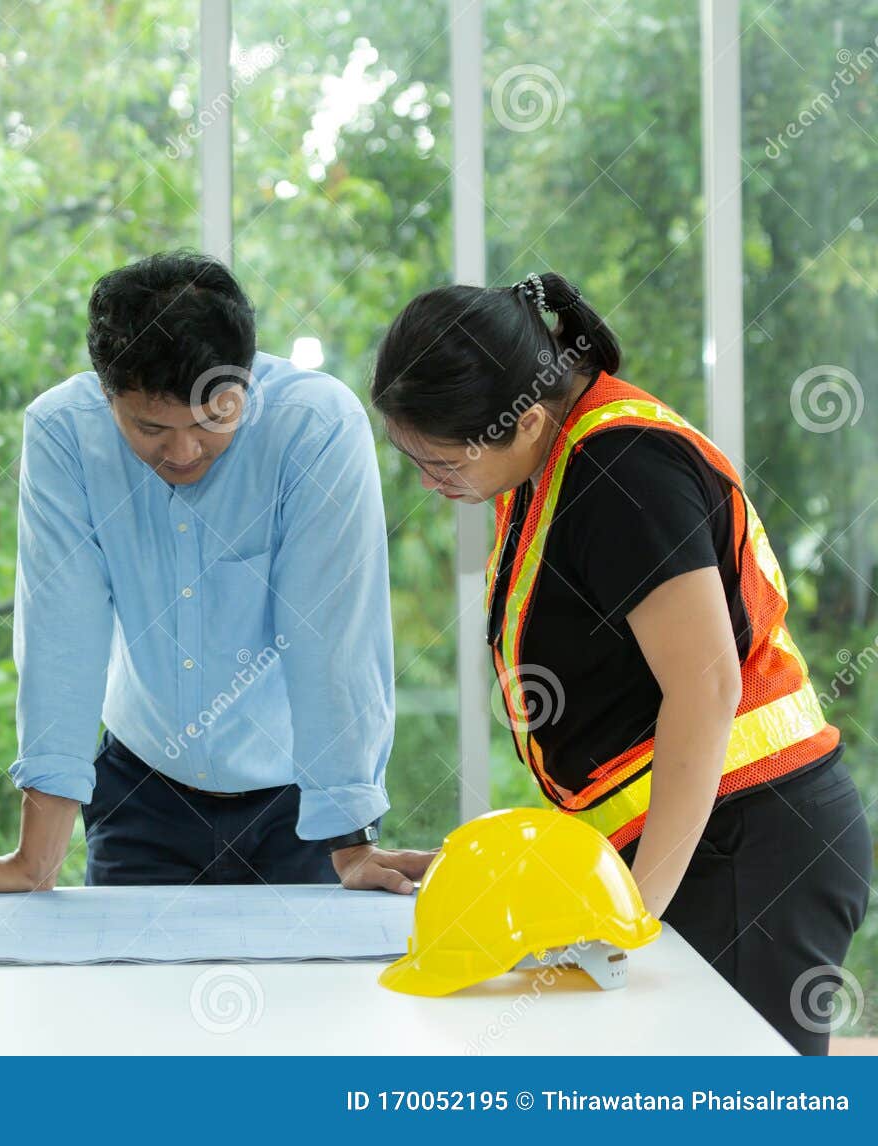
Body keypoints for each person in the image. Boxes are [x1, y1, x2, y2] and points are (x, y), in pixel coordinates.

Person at [369, 270, 871, 1054]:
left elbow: (705, 687)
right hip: (698, 842)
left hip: (748, 851)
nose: (434, 487)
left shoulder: (621, 474)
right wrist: (506, 877)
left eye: (444, 465)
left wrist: (634, 907)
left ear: (525, 419)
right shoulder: (552, 462)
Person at [0, 251, 431, 895]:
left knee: (312, 994)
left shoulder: (315, 426)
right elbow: (63, 635)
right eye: (150, 428)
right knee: (128, 992)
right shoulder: (65, 434)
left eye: (212, 421)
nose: (184, 451)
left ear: (247, 378)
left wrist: (352, 840)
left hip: (300, 806)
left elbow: (331, 636)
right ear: (107, 391)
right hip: (141, 793)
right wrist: (36, 860)